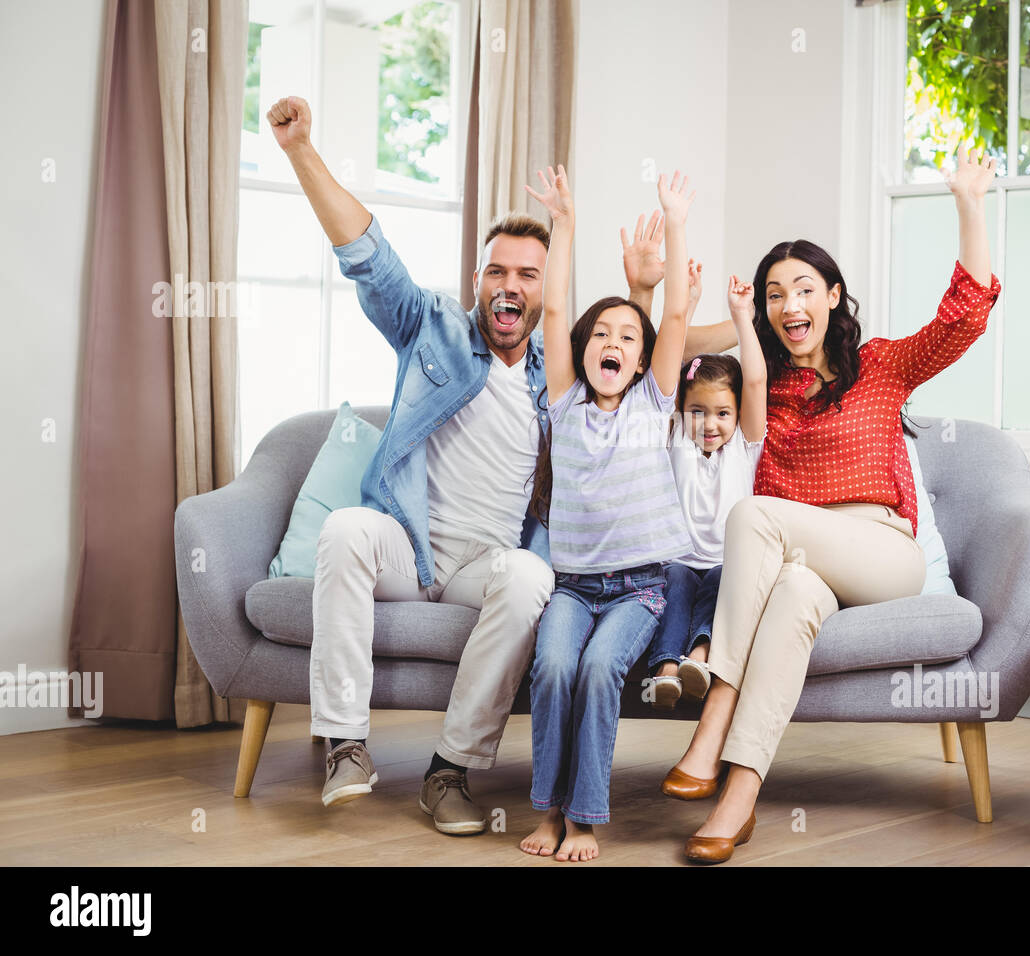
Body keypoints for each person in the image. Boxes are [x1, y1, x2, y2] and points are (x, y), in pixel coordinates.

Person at [265, 96, 733, 835]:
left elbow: (648, 350)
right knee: (346, 532)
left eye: (527, 273)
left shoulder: (564, 373)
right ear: (479, 280)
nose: (508, 285)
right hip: (408, 544)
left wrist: (748, 313)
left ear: (549, 296)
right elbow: (367, 253)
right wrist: (301, 153)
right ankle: (345, 745)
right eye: (495, 271)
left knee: (532, 576)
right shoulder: (433, 328)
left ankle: (449, 770)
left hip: (488, 558)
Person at [663, 144, 1002, 863]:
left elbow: (964, 318)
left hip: (881, 552)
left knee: (752, 515)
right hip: (805, 561)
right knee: (789, 597)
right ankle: (740, 795)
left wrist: (969, 205)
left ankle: (713, 717)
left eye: (805, 288)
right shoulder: (764, 386)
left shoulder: (881, 365)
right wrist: (734, 312)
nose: (792, 305)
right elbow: (670, 351)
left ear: (835, 295)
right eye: (776, 293)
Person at [517, 165, 694, 861]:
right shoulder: (564, 407)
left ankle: (585, 818)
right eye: (601, 335)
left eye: (627, 336)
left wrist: (675, 222)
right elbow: (555, 311)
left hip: (641, 590)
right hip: (573, 586)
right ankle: (550, 811)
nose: (612, 343)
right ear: (581, 353)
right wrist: (565, 220)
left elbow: (674, 314)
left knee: (598, 671)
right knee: (555, 666)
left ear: (644, 357)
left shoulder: (654, 405)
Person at [645, 273, 767, 712]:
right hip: (677, 560)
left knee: (720, 587)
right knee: (674, 588)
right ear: (681, 410)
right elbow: (666, 356)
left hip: (723, 563)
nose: (709, 424)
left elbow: (754, 383)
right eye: (698, 411)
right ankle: (665, 672)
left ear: (737, 415)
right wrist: (688, 304)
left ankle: (699, 658)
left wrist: (742, 317)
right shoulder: (677, 435)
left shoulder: (743, 446)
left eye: (722, 413)